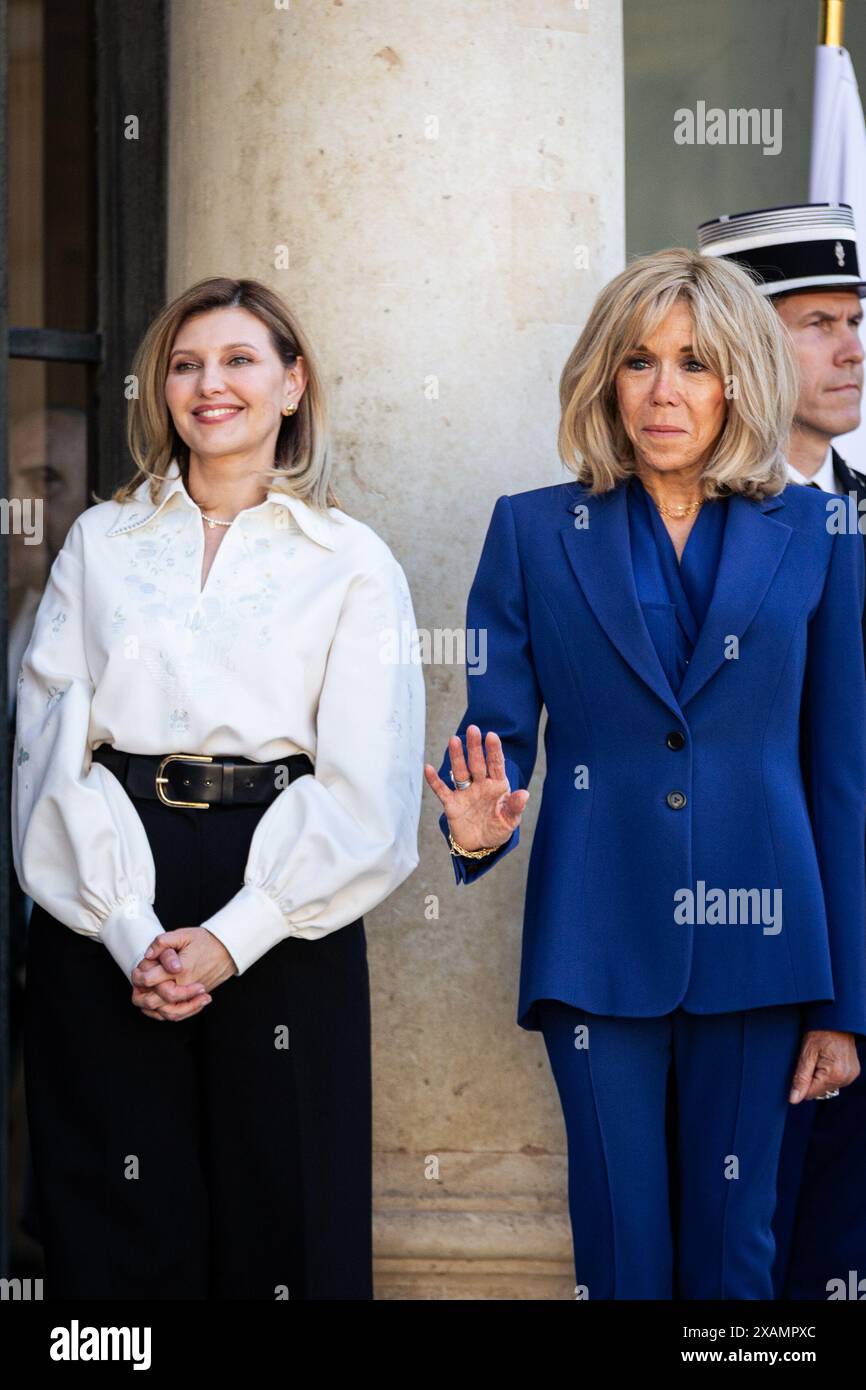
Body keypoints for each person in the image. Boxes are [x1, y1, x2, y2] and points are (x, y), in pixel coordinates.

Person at [424, 247, 866, 1300]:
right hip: (595, 936)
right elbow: (494, 738)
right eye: (637, 362)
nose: (663, 390)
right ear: (601, 378)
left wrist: (843, 1002)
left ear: (738, 383)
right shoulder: (530, 530)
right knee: (618, 1250)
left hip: (767, 946)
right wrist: (476, 827)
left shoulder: (818, 532)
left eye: (695, 363)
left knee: (735, 1253)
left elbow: (839, 777)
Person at [12, 275, 424, 1300]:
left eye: (239, 360)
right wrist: (127, 934)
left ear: (291, 385)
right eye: (186, 364)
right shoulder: (100, 543)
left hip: (285, 898)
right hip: (106, 887)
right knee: (111, 1220)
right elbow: (49, 745)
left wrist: (233, 936)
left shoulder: (351, 562)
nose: (209, 385)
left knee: (285, 1213)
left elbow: (367, 785)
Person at [698, 201, 866, 1301]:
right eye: (813, 322)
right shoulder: (689, 525)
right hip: (750, 962)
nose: (849, 346)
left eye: (855, 318)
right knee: (734, 1262)